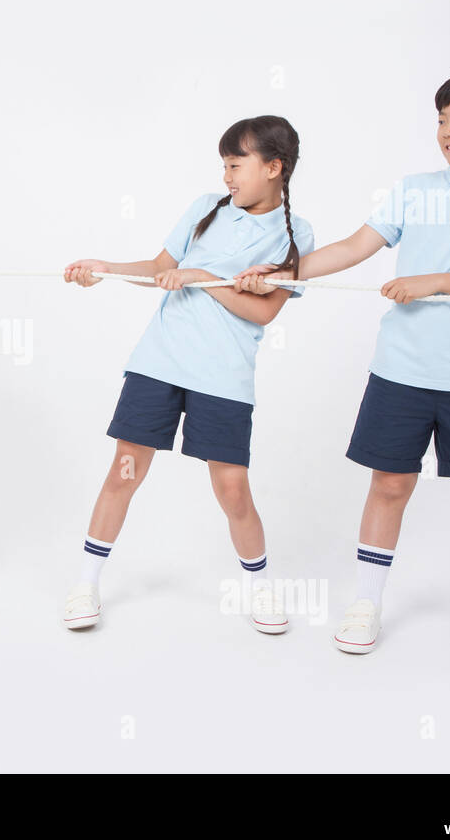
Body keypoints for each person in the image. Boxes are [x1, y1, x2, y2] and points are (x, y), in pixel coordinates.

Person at [234, 64, 450, 660]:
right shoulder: (415, 189)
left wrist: (434, 281)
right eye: (441, 119)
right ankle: (366, 603)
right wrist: (284, 272)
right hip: (400, 373)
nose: (447, 130)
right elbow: (353, 247)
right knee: (389, 485)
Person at [61, 116, 314, 633]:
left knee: (233, 489)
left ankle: (260, 591)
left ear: (273, 168)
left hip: (223, 378)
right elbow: (160, 270)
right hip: (159, 363)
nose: (227, 176)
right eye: (224, 165)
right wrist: (104, 268)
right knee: (124, 471)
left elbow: (264, 313)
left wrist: (202, 278)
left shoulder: (297, 234)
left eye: (236, 165)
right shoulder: (206, 210)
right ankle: (87, 584)